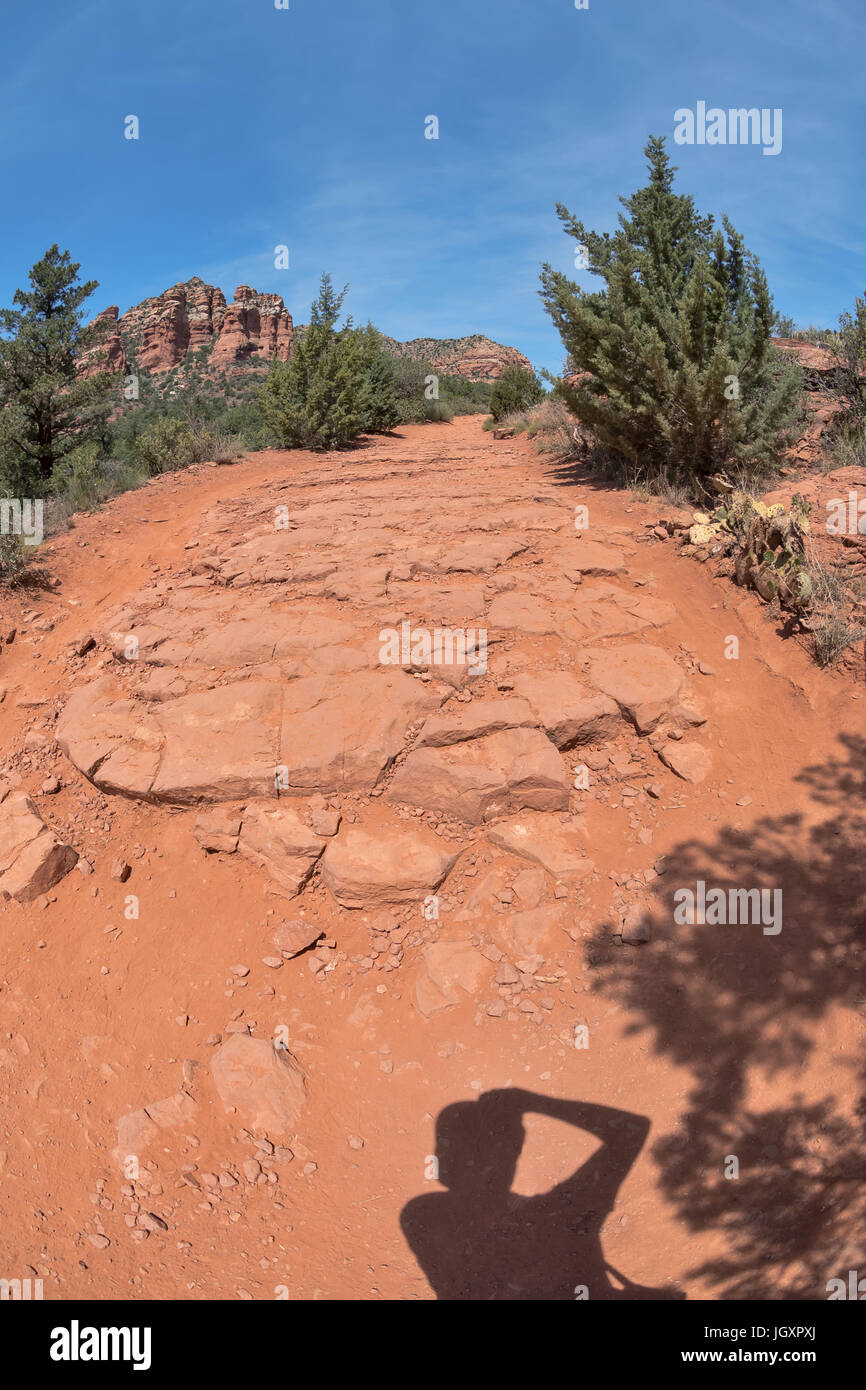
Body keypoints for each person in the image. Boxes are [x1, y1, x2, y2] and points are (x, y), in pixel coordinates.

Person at [401, 1088, 685, 1300]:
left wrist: (532, 1101)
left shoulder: (559, 1212)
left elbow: (631, 1131)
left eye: (503, 1151)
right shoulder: (427, 1215)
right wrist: (532, 1102)